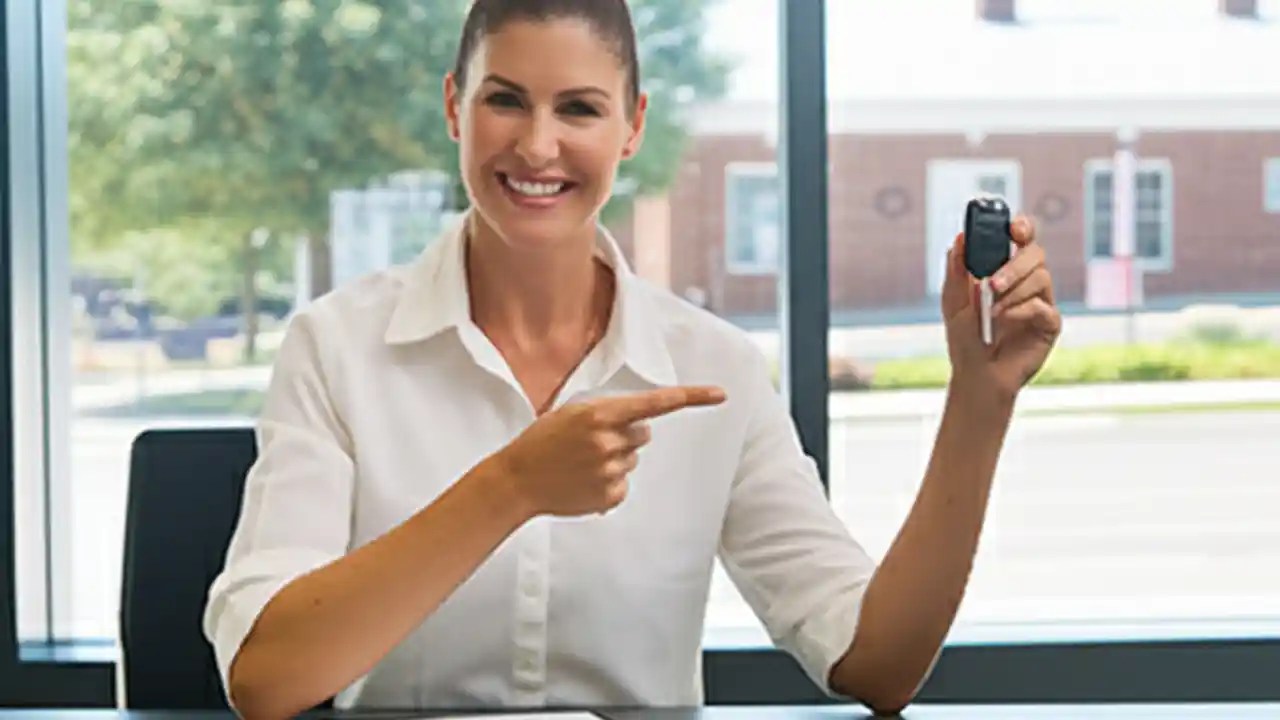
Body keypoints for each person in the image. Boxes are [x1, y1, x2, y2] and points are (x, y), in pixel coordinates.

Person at [202, 1, 1063, 718]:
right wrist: (512, 487)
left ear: (631, 126)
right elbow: (267, 679)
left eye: (578, 109)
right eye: (506, 101)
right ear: (455, 107)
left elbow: (876, 661)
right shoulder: (335, 347)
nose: (538, 146)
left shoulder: (711, 367)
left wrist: (979, 401)